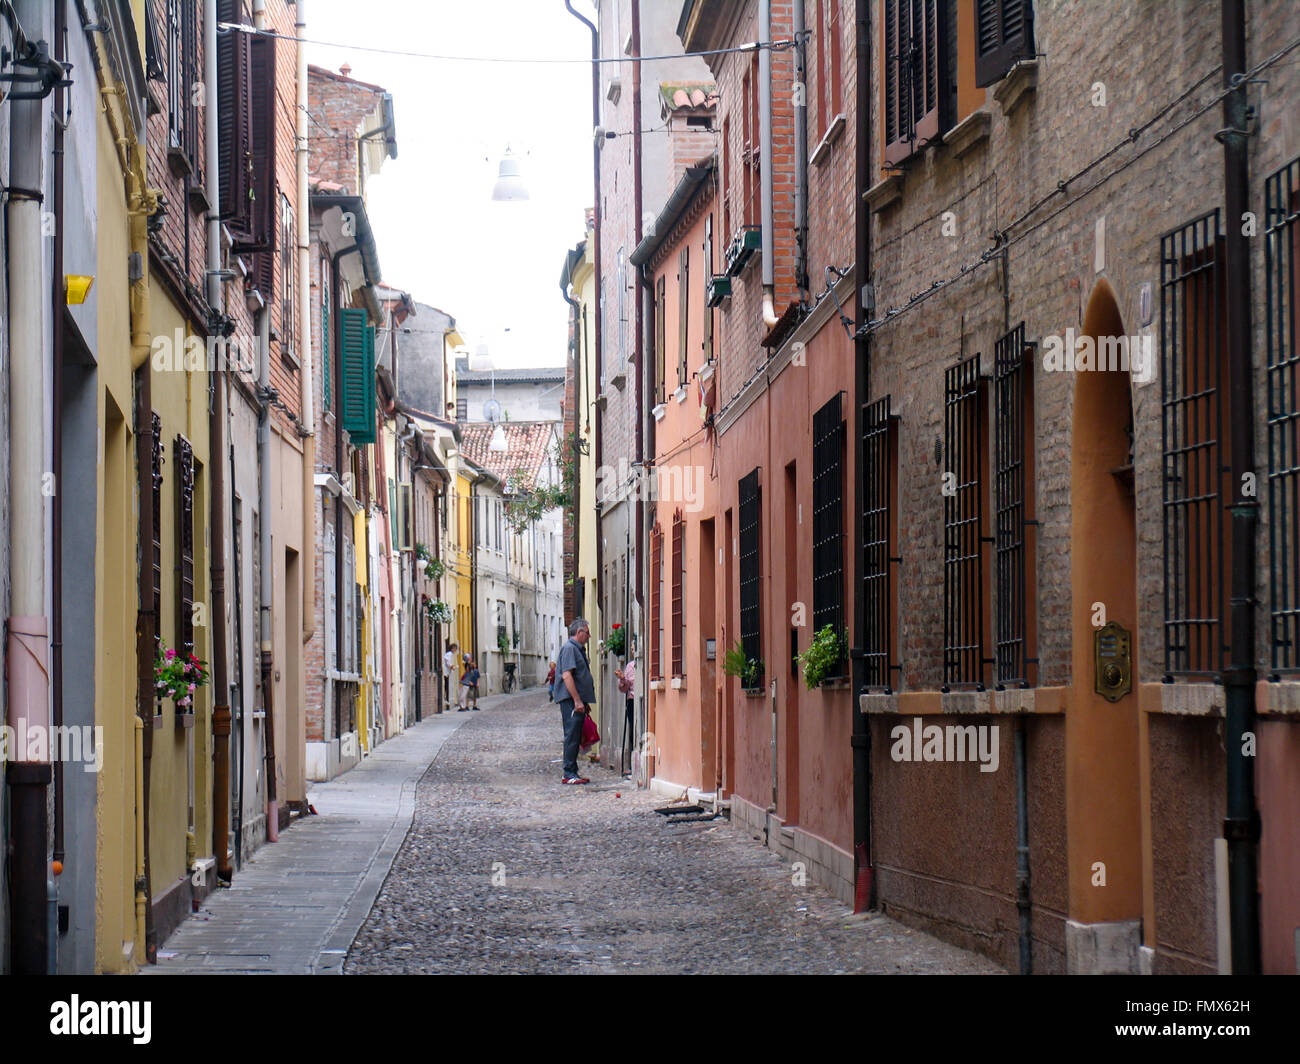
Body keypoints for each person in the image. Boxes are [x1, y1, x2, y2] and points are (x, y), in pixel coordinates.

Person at [552, 618, 595, 784]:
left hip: (576, 700)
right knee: (572, 735)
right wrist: (577, 700)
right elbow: (567, 675)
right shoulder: (570, 648)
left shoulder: (576, 649)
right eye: (587, 633)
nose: (589, 636)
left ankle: (572, 771)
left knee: (576, 735)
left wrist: (584, 702)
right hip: (570, 700)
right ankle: (568, 773)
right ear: (579, 632)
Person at [618, 657, 636, 778]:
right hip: (632, 701)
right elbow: (624, 689)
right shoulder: (630, 666)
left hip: (642, 699)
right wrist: (622, 679)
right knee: (632, 732)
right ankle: (632, 764)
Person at [443, 642, 458, 709]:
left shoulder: (449, 654)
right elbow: (448, 662)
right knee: (446, 685)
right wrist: (452, 667)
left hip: (447, 672)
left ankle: (446, 699)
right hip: (446, 672)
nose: (455, 650)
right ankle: (445, 699)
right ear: (452, 648)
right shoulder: (449, 654)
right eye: (454, 648)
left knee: (446, 685)